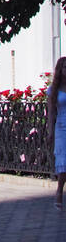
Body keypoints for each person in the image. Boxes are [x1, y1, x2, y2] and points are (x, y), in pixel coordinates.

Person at [47, 56, 66, 209]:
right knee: (63, 162)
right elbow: (51, 112)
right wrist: (50, 131)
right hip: (61, 127)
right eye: (64, 68)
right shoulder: (53, 90)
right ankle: (59, 190)